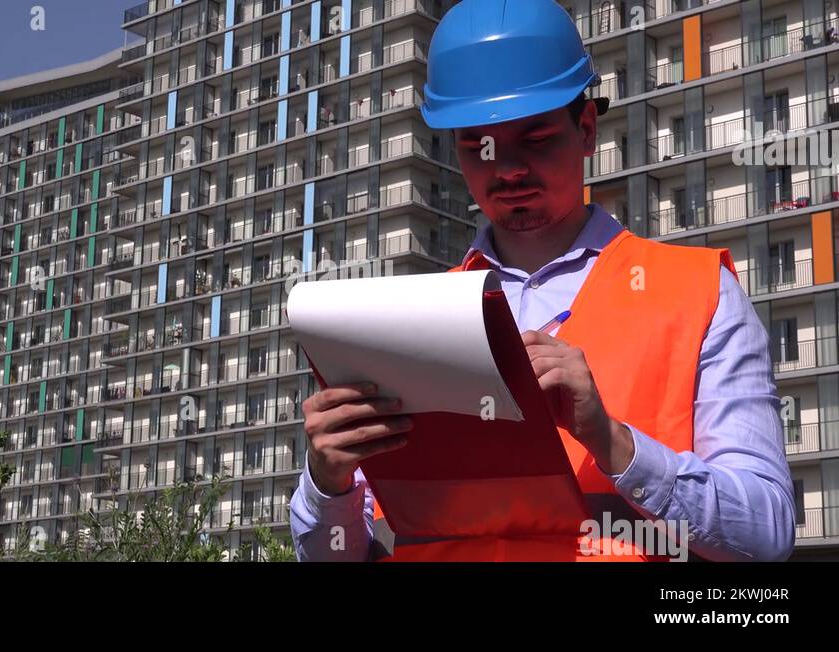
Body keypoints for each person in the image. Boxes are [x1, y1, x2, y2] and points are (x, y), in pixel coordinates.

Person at [289, 0, 795, 561]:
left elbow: (764, 536)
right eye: (478, 144)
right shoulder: (405, 325)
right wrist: (326, 482)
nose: (506, 169)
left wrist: (614, 443)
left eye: (534, 138)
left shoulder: (698, 294)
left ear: (585, 129)